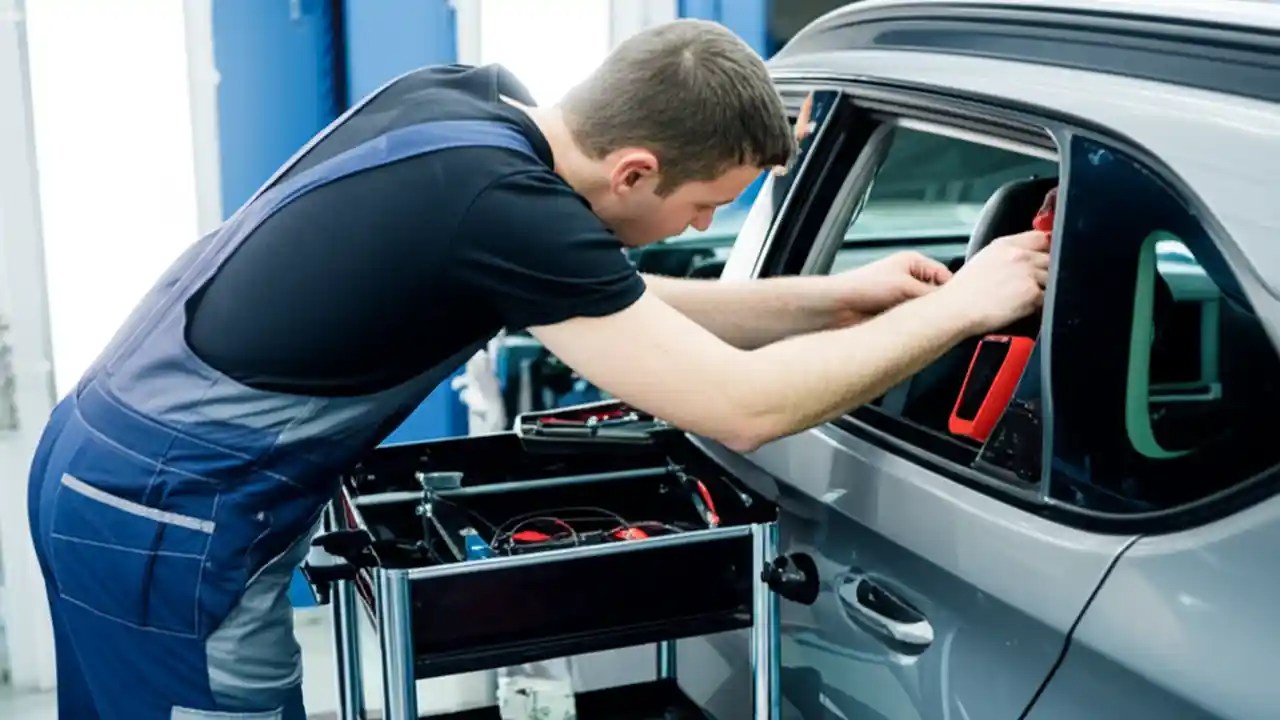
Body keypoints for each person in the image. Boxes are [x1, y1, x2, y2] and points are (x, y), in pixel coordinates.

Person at [25, 18, 1049, 720]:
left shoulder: (472, 113)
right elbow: (742, 410)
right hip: (165, 516)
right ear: (633, 170)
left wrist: (833, 298)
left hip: (108, 465)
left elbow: (613, 311)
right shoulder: (501, 209)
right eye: (701, 208)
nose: (699, 230)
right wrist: (967, 304)